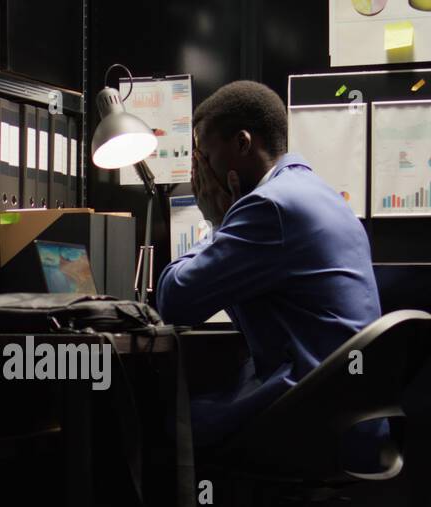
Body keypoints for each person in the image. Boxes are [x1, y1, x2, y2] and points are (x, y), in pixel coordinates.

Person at [155, 80, 388, 469]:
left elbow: (174, 300)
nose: (201, 174)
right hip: (352, 413)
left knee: (160, 423)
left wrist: (216, 218)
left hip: (311, 416)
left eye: (206, 156)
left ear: (242, 143)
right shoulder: (318, 193)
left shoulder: (270, 207)